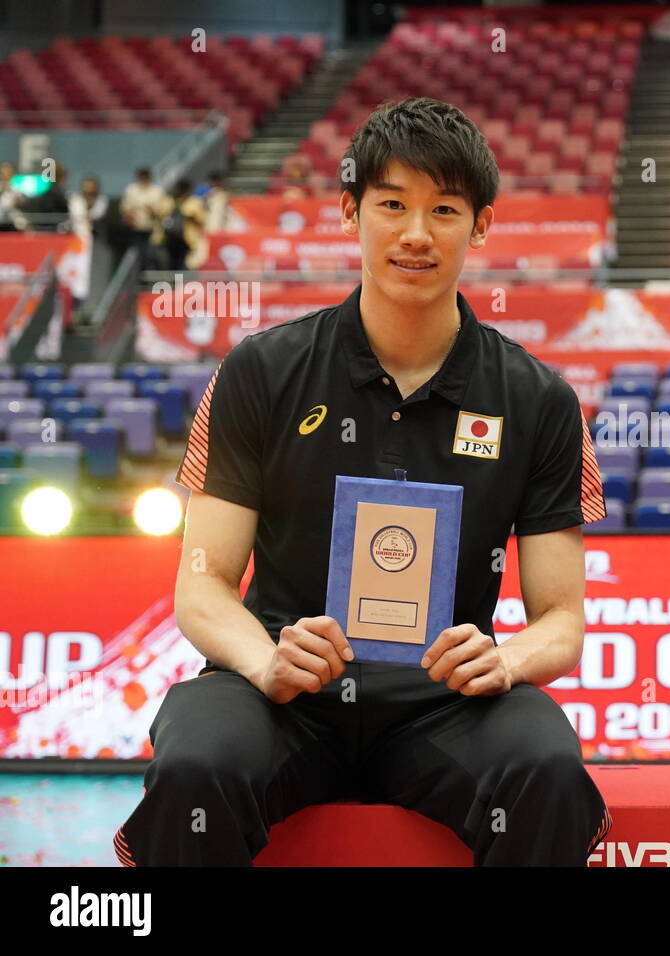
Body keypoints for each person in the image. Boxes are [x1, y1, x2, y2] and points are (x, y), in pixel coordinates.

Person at [114, 97, 610, 866]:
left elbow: (561, 619)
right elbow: (204, 587)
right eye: (391, 205)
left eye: (444, 209)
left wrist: (506, 661)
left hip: (443, 705)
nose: (416, 233)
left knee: (543, 766)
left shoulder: (537, 398)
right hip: (279, 690)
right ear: (350, 213)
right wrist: (263, 660)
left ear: (479, 227)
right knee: (198, 766)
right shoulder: (262, 370)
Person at [120, 167, 166, 269]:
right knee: (139, 254)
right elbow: (125, 208)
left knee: (151, 253)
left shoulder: (157, 191)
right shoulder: (131, 190)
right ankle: (143, 275)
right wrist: (128, 216)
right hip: (135, 228)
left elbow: (162, 211)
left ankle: (152, 273)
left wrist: (152, 210)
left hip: (153, 229)